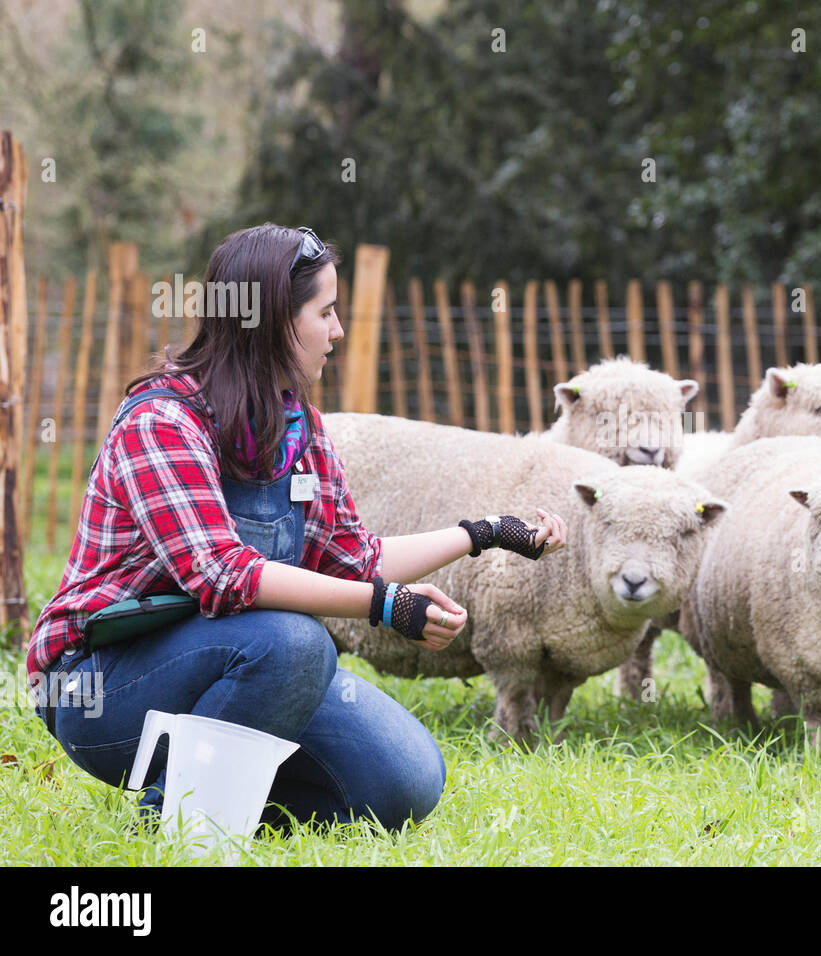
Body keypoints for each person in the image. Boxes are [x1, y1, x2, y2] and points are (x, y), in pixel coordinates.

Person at [27, 222, 567, 834]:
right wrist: (385, 607)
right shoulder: (162, 422)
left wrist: (485, 532)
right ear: (274, 320)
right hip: (100, 688)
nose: (338, 331)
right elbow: (223, 575)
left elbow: (356, 558)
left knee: (406, 780)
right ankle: (175, 822)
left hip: (248, 672)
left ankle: (228, 794)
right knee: (297, 642)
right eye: (326, 312)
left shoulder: (298, 427)